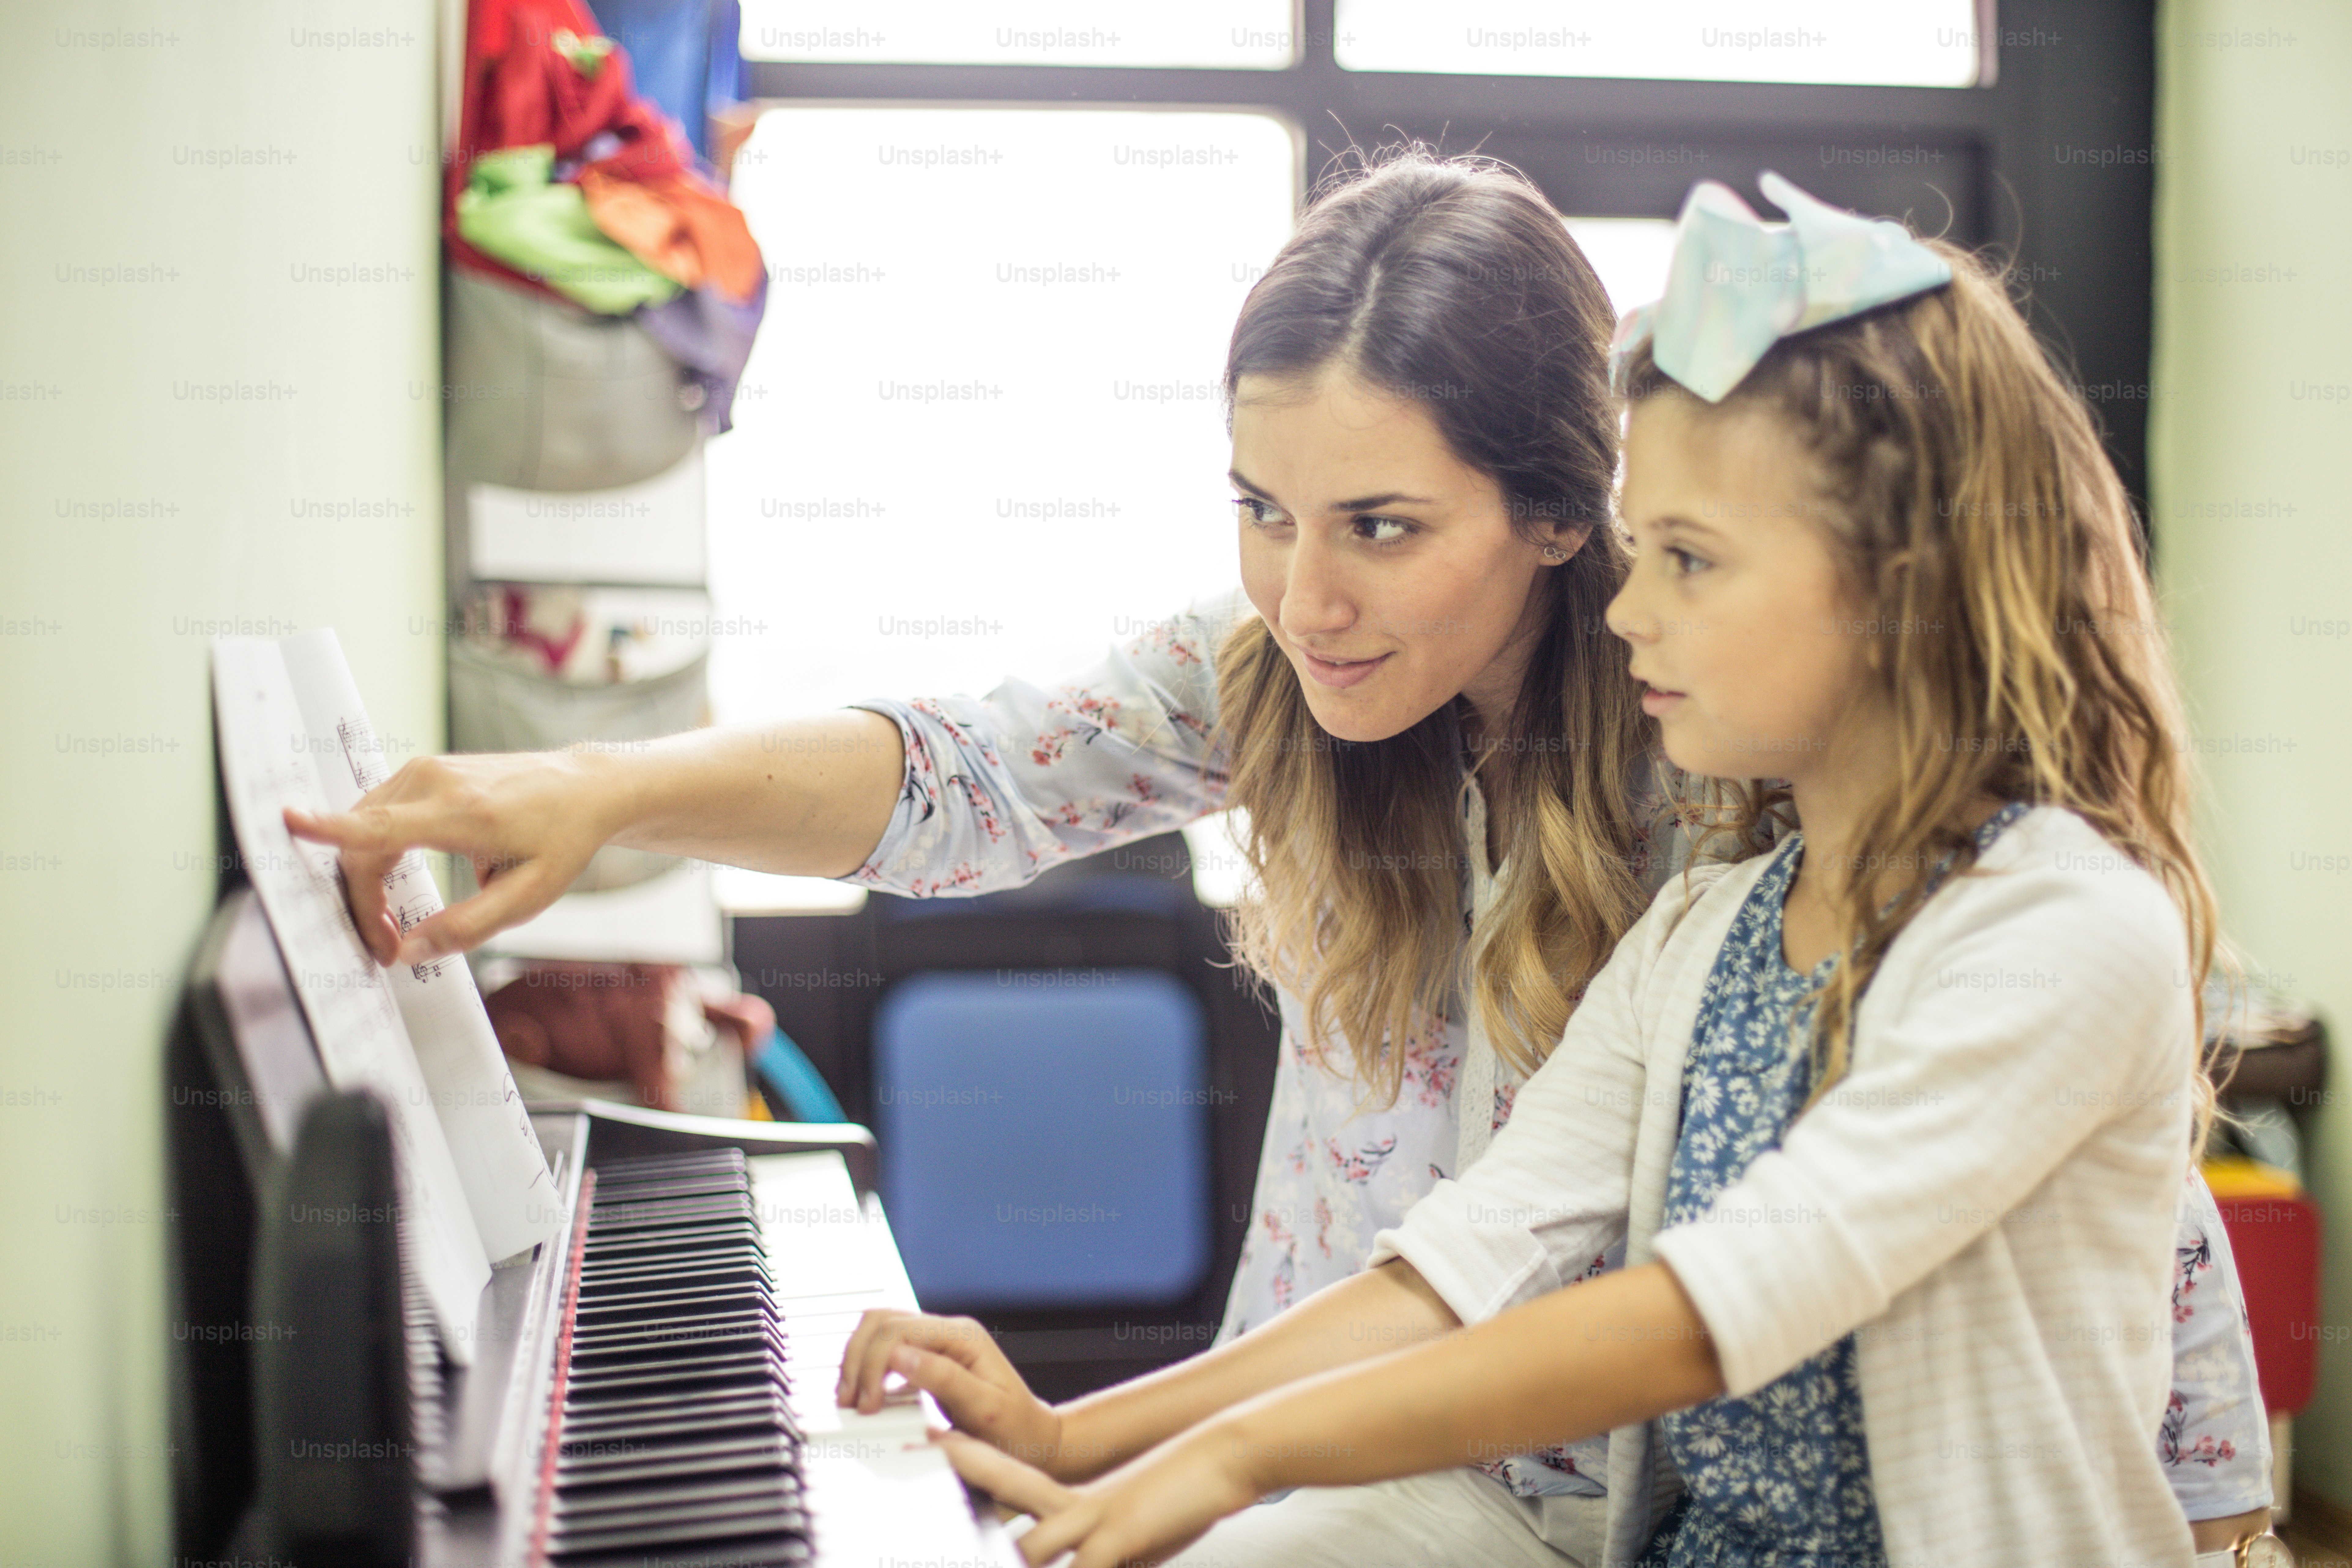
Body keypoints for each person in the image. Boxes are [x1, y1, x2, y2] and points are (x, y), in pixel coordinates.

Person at [289, 155, 2273, 1561]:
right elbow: (967, 773)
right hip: (1342, 1442)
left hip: (1595, 1492)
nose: (1302, 595)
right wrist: (602, 789)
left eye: (1380, 527)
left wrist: (2211, 1511)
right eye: (1260, 508)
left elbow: (2048, 1193)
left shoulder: (1739, 762)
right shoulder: (1312, 697)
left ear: (1561, 513)